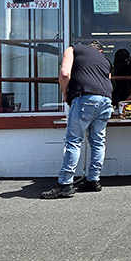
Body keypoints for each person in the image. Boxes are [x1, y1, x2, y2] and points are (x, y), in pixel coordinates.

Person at [41, 41, 113, 199]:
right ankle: (93, 180)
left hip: (85, 98)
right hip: (106, 101)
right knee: (98, 141)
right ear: (99, 51)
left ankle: (65, 184)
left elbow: (65, 74)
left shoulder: (72, 49)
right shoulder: (105, 61)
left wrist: (65, 93)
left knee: (73, 140)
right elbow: (108, 80)